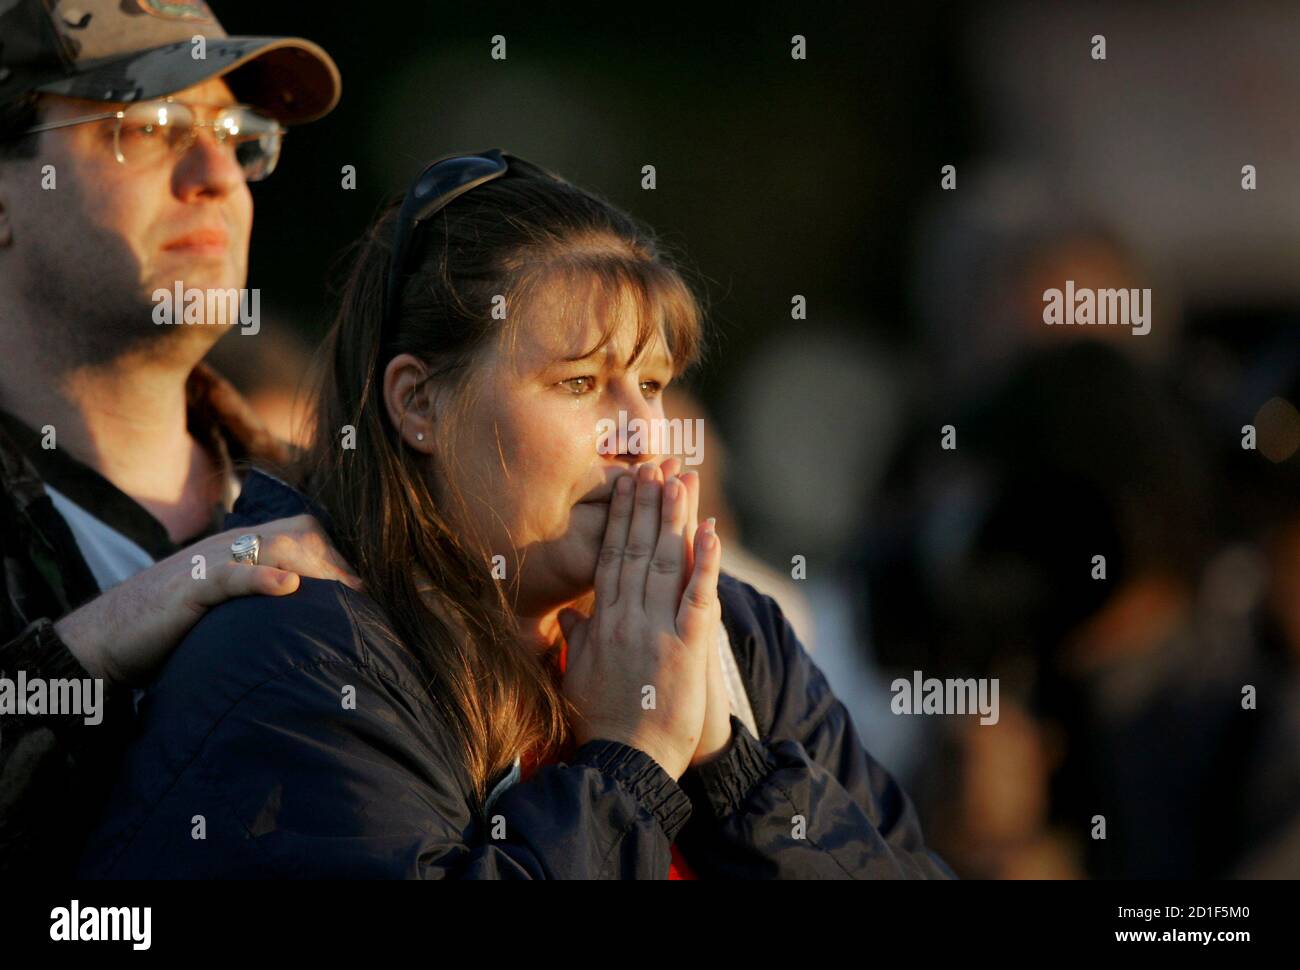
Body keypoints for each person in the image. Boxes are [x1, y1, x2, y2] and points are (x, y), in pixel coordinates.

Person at [81, 150, 953, 879]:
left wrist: (733, 771)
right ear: (418, 403)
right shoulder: (299, 660)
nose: (644, 436)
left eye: (650, 386)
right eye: (579, 384)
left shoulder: (732, 639)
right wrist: (632, 763)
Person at [0, 0, 355, 876]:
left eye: (237, 134)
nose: (217, 173)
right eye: (149, 125)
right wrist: (97, 646)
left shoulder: (345, 508)